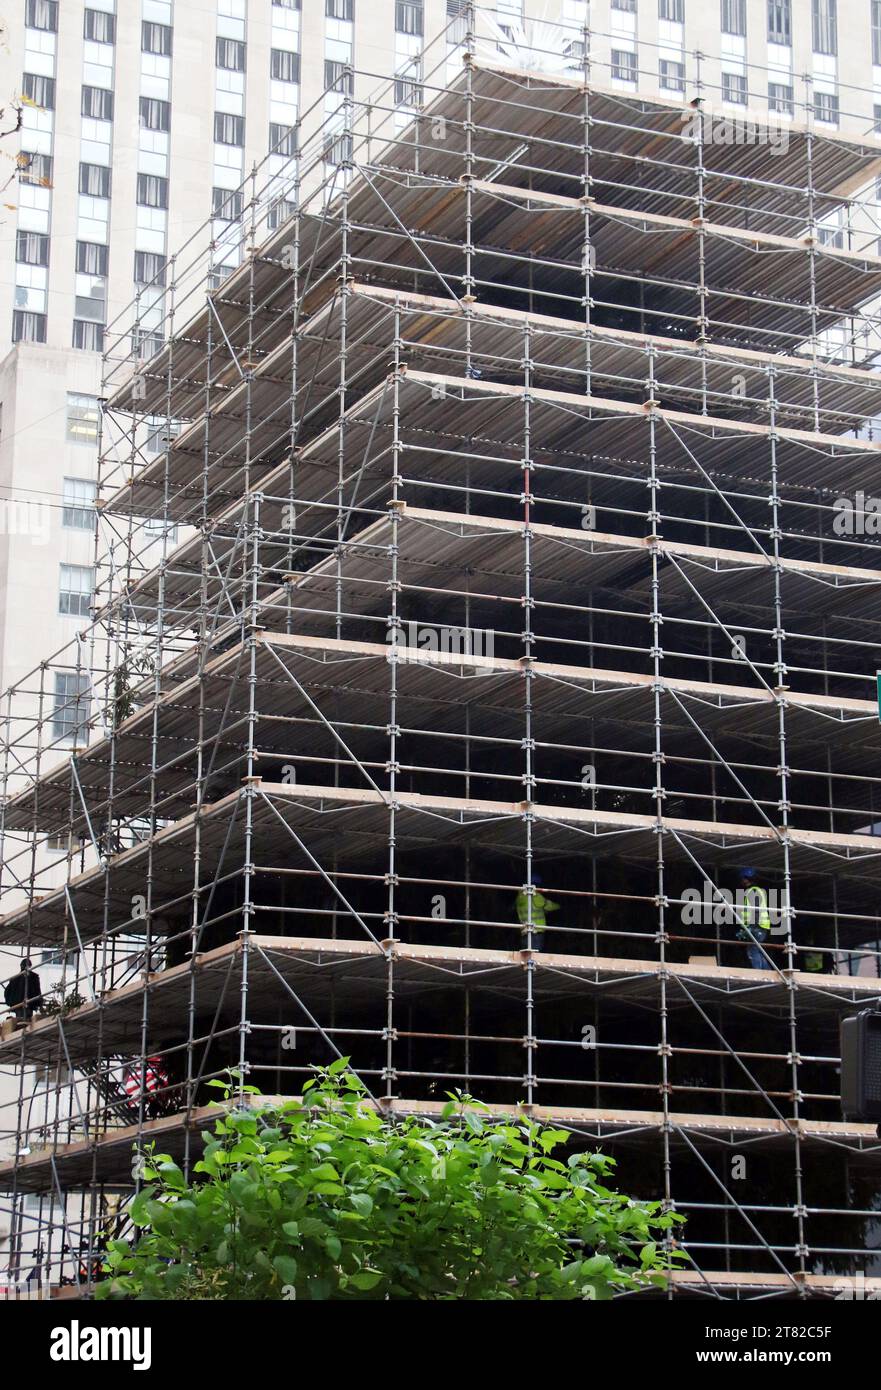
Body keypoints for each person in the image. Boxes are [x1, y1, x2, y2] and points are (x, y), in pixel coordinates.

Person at [735, 867, 773, 971]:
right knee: (758, 951)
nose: (742, 881)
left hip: (757, 926)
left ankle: (758, 974)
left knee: (753, 951)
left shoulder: (753, 891)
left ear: (747, 878)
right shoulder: (755, 890)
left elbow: (755, 910)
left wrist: (752, 927)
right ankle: (768, 973)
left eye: (743, 878)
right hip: (760, 926)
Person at [515, 873, 559, 950]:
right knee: (536, 956)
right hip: (536, 931)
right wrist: (561, 906)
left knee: (526, 955)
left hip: (524, 932)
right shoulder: (536, 896)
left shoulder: (519, 897)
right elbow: (550, 906)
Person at [4, 958, 43, 1023]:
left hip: (20, 1005)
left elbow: (7, 992)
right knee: (27, 1023)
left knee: (20, 1022)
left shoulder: (15, 978)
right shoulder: (33, 977)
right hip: (28, 1004)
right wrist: (39, 1003)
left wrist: (11, 1003)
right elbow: (37, 991)